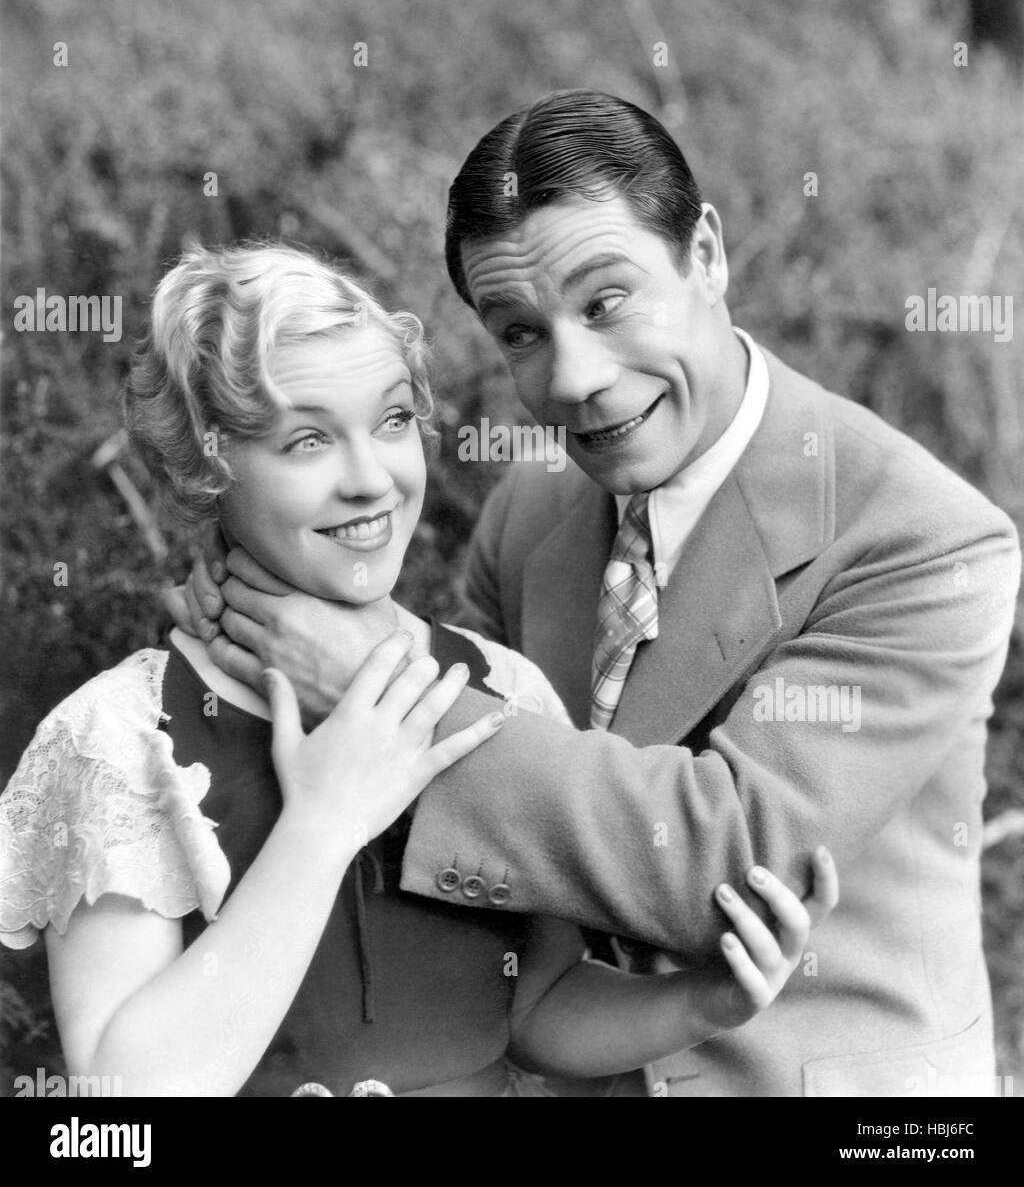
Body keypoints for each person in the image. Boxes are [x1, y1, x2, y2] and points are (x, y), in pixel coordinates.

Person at [176, 91, 1021, 1098]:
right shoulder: (526, 513)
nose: (572, 377)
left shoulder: (927, 538)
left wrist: (373, 672)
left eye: (606, 301)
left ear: (704, 254)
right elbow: (470, 866)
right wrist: (269, 599)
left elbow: (726, 858)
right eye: (521, 332)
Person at [0, 241, 836, 1099]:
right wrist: (320, 829)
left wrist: (698, 1002)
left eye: (394, 421)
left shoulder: (499, 690)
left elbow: (535, 1007)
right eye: (308, 439)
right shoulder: (121, 741)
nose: (372, 481)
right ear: (206, 469)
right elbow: (121, 1104)